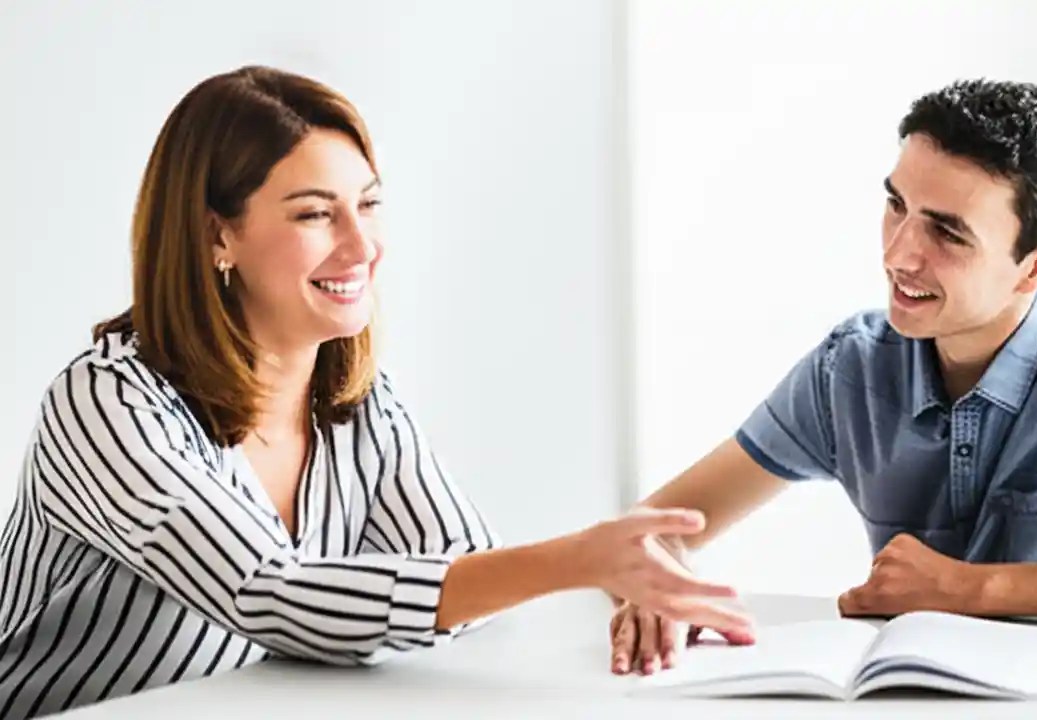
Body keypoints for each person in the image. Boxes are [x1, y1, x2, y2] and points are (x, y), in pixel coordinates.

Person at [0, 65, 751, 717]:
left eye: (368, 203)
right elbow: (271, 596)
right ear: (214, 237)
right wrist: (576, 562)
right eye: (315, 213)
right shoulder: (105, 406)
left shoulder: (353, 400)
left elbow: (456, 579)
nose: (363, 246)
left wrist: (604, 572)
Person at [610, 78, 1037, 675]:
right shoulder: (851, 366)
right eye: (896, 205)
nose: (900, 253)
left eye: (948, 233)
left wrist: (976, 590)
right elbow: (653, 529)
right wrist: (659, 588)